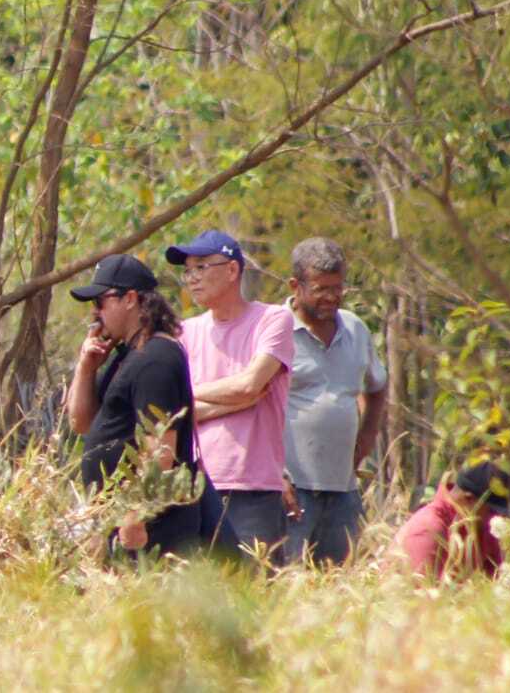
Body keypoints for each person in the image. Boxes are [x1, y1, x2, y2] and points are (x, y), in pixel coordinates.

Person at [166, 230, 295, 560]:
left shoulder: (272, 319)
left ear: (232, 270)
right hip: (195, 486)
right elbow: (174, 411)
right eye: (188, 271)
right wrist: (235, 397)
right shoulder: (184, 333)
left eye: (201, 267)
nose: (192, 279)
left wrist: (193, 398)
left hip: (254, 489)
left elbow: (251, 385)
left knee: (258, 598)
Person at [66, 255, 206, 556]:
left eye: (100, 302)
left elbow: (161, 446)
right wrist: (86, 367)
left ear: (130, 299)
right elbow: (81, 423)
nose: (94, 312)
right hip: (115, 522)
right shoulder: (124, 355)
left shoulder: (156, 358)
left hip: (151, 531)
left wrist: (135, 515)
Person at [282, 238, 389, 565]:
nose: (330, 297)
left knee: (342, 585)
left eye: (337, 287)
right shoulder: (274, 330)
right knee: (288, 587)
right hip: (291, 490)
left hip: (343, 488)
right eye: (320, 289)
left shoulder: (355, 329)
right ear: (295, 286)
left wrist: (367, 436)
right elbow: (252, 405)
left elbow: (378, 386)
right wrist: (274, 472)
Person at [391, 461, 510, 581]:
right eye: (494, 511)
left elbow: (492, 583)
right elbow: (421, 605)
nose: (499, 519)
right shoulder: (429, 529)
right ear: (468, 499)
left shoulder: (480, 526)